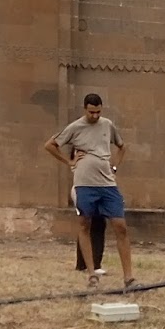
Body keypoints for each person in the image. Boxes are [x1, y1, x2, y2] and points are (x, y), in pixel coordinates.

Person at [45, 93, 135, 290]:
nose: (95, 116)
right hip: (84, 184)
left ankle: (128, 276)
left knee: (120, 225)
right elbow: (50, 145)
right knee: (85, 224)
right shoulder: (75, 127)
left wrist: (115, 166)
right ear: (85, 109)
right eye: (91, 112)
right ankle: (91, 273)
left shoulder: (107, 125)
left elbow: (122, 146)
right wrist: (69, 162)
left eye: (98, 112)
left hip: (107, 183)